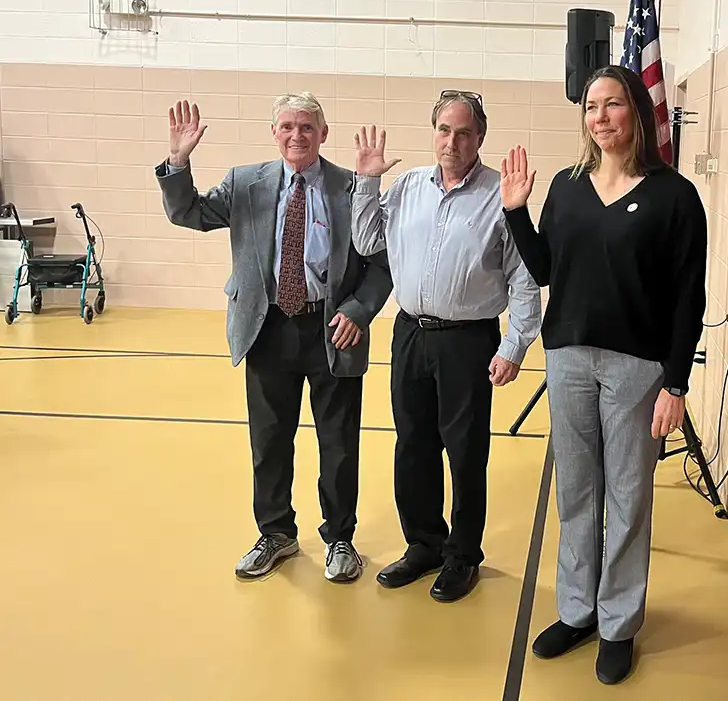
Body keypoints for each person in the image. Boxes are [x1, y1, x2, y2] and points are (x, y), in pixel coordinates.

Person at [499, 65, 708, 684]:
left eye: (613, 105)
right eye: (592, 106)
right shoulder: (565, 186)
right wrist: (517, 213)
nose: (601, 117)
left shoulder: (674, 195)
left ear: (638, 114)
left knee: (628, 495)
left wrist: (675, 382)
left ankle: (618, 623)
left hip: (638, 367)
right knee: (577, 491)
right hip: (567, 357)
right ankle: (577, 609)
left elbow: (687, 298)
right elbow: (542, 270)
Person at [155, 93, 393, 584]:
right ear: (274, 133)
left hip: (333, 330)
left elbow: (382, 263)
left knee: (339, 442)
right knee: (268, 442)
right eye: (287, 126)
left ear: (323, 134)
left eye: (307, 127)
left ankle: (341, 538)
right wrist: (178, 162)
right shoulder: (246, 183)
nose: (297, 136)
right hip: (267, 328)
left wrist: (358, 309)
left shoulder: (351, 186)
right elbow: (190, 214)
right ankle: (277, 533)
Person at [350, 90, 542, 602]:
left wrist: (515, 344)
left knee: (464, 452)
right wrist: (367, 180)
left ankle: (461, 555)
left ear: (479, 138)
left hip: (468, 341)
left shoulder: (501, 196)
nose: (451, 141)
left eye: (463, 132)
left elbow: (524, 280)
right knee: (412, 446)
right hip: (410, 333)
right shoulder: (408, 185)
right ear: (433, 132)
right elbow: (369, 242)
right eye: (443, 130)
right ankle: (424, 544)